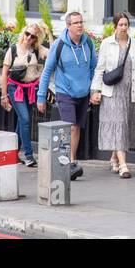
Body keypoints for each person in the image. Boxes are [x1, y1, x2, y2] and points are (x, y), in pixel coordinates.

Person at [36, 10, 96, 180]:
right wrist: (41, 96)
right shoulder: (59, 45)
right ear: (68, 26)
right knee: (69, 126)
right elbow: (47, 71)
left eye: (81, 22)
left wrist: (93, 88)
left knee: (76, 127)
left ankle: (72, 161)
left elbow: (94, 67)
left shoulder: (88, 43)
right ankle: (67, 163)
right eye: (76, 23)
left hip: (83, 92)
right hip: (65, 92)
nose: (80, 26)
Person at [91, 12, 135, 178]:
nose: (123, 27)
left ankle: (114, 157)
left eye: (126, 24)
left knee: (124, 125)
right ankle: (123, 165)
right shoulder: (107, 44)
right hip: (112, 92)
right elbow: (100, 69)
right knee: (119, 124)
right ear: (115, 26)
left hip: (129, 91)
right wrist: (95, 91)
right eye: (120, 24)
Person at [0, 24, 46, 166]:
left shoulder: (37, 50)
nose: (29, 38)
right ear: (23, 33)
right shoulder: (13, 49)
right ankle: (29, 155)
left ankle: (13, 154)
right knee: (25, 119)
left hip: (31, 89)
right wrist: (3, 95)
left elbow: (53, 54)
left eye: (33, 36)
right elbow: (4, 73)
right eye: (27, 34)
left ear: (36, 39)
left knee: (22, 121)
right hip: (15, 88)